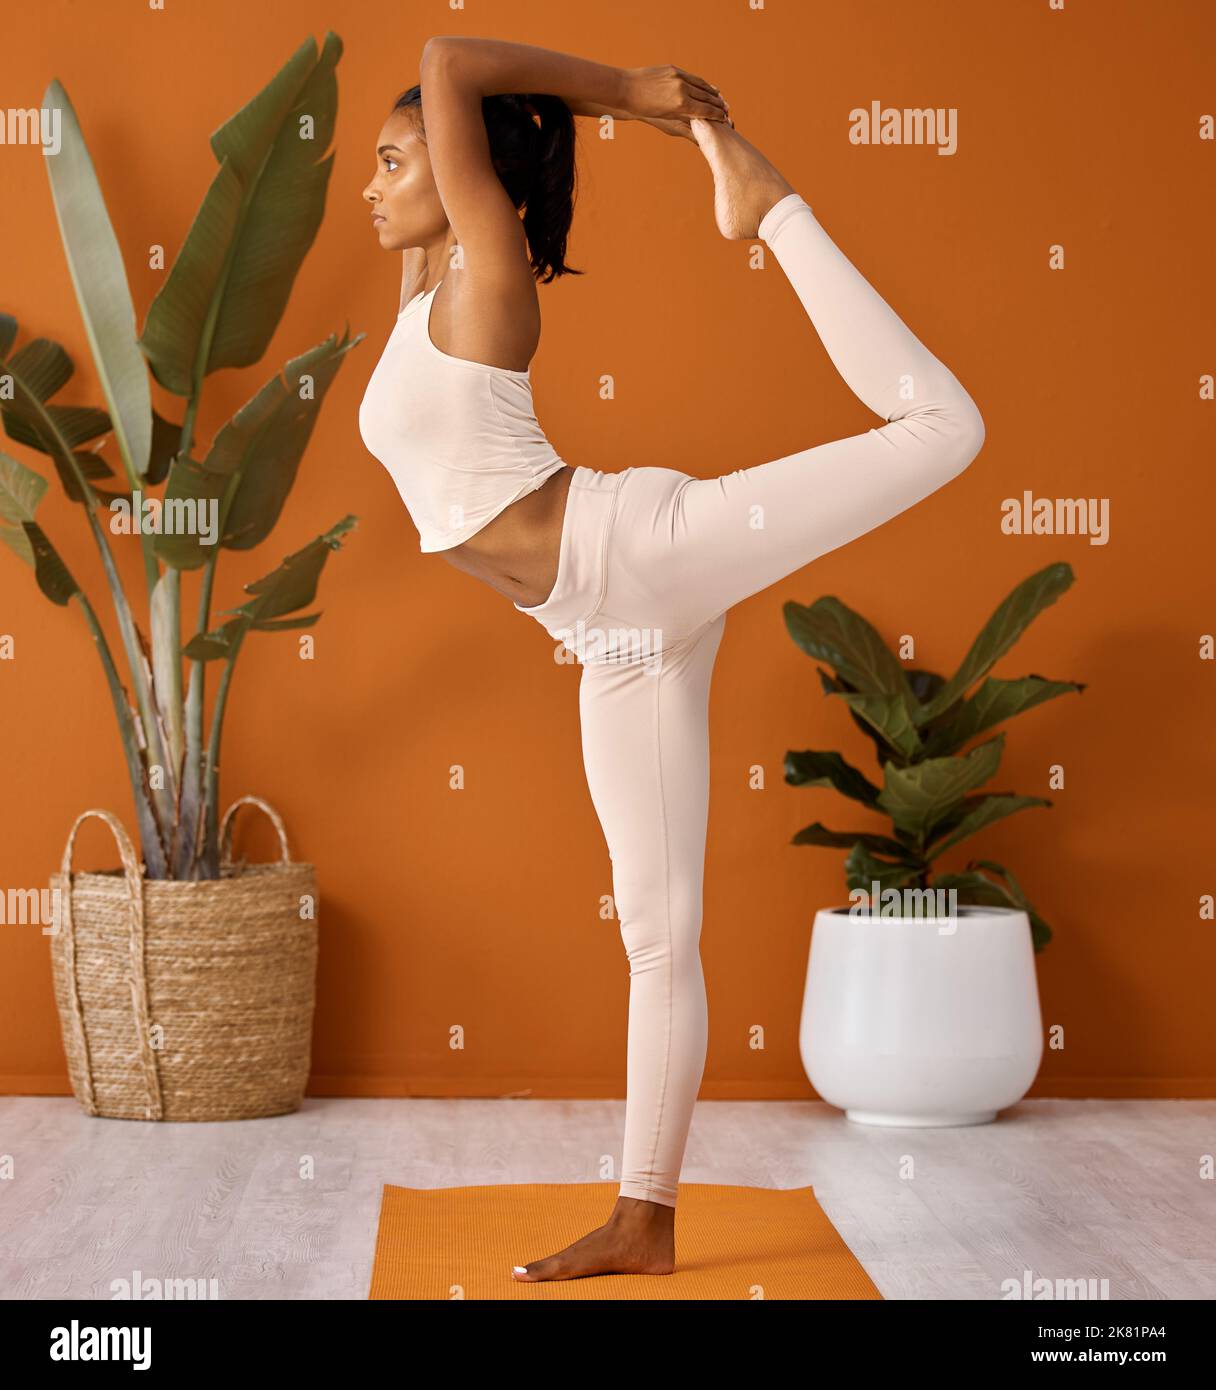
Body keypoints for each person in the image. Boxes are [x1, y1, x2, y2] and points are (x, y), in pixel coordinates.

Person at [359, 36, 985, 1283]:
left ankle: (773, 210)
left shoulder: (488, 278)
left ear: (464, 169)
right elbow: (447, 104)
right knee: (659, 927)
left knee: (943, 428)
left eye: (390, 160)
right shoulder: (427, 284)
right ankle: (645, 1220)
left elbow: (448, 56)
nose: (367, 186)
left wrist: (637, 97)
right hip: (603, 631)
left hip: (638, 549)